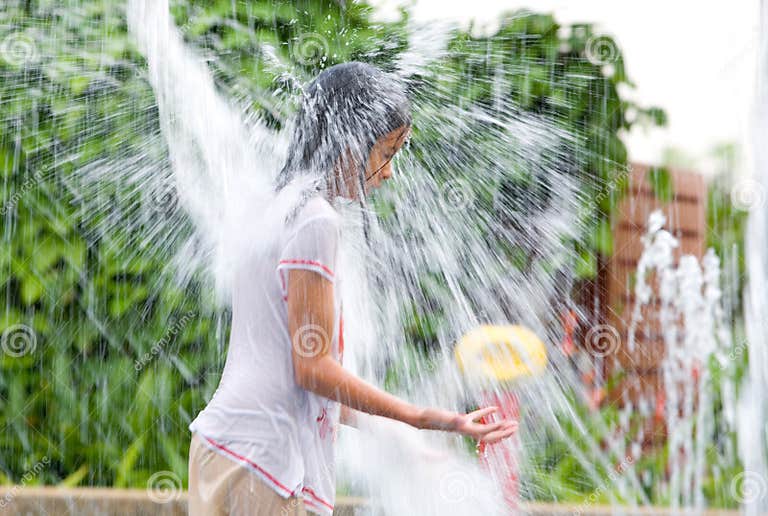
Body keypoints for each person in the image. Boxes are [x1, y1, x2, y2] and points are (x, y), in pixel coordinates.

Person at [187, 62, 517, 516]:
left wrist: (407, 436)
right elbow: (314, 370)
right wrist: (418, 417)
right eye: (386, 152)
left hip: (224, 449)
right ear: (349, 143)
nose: (388, 173)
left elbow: (304, 381)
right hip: (266, 462)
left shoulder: (274, 208)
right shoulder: (315, 220)